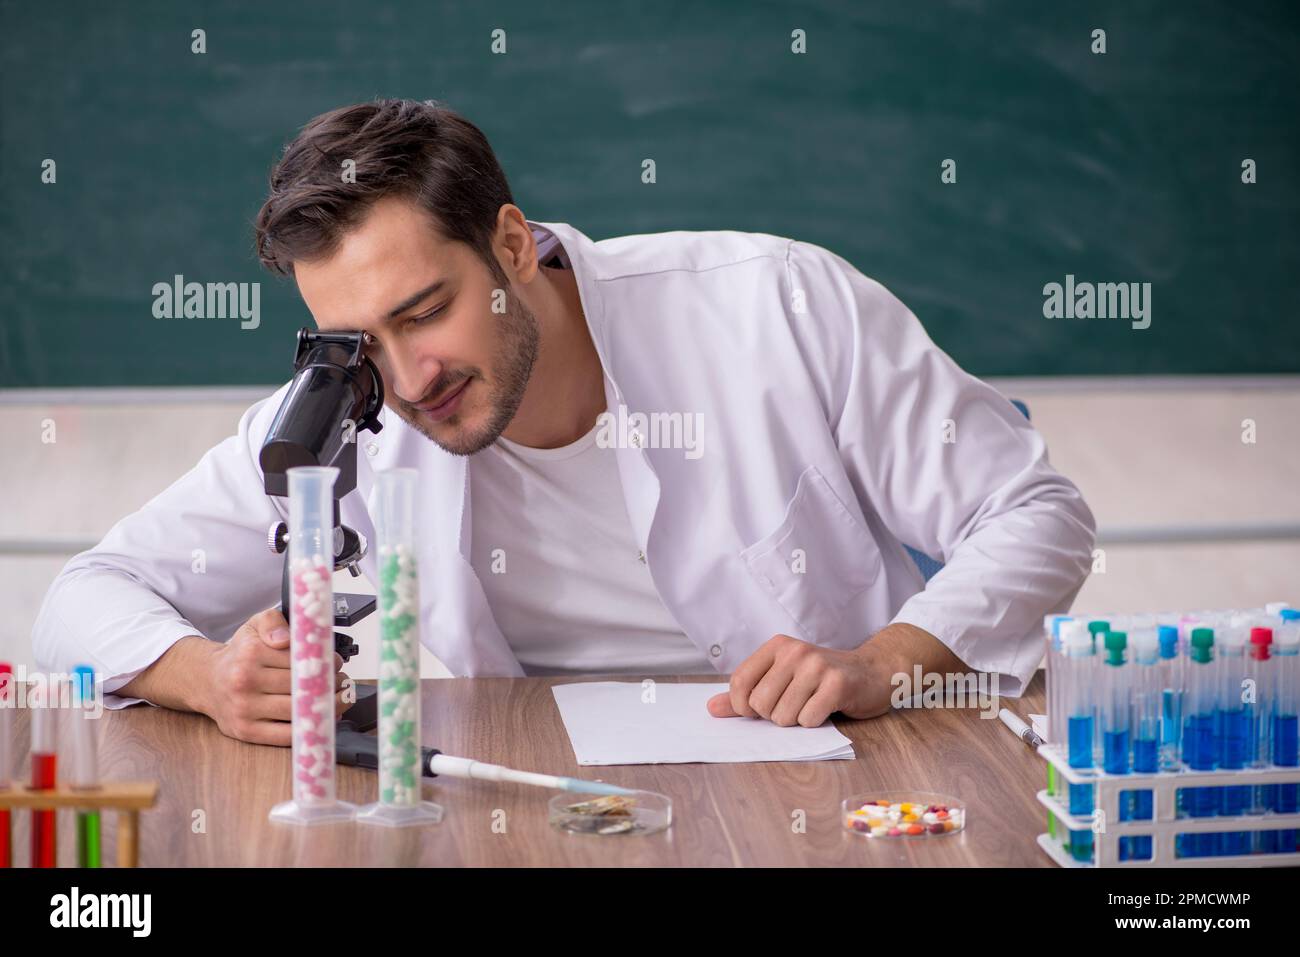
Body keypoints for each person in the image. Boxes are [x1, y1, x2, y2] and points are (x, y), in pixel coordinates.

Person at [33, 99, 1095, 745]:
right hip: (559, 807)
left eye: (423, 312)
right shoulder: (346, 413)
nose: (406, 378)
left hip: (858, 788)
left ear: (508, 244)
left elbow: (1035, 511)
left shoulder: (776, 303)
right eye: (361, 340)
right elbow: (86, 595)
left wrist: (888, 657)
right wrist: (206, 679)